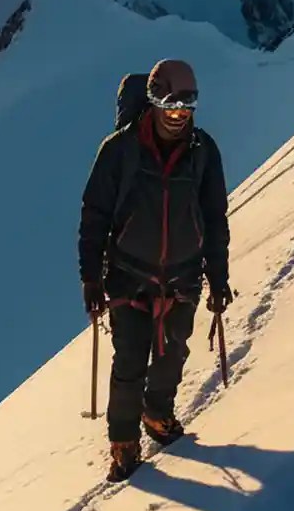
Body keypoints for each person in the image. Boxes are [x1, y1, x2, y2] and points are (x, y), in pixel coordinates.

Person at [78, 59, 233, 482]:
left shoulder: (203, 154)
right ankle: (123, 444)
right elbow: (95, 215)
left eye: (186, 106)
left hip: (182, 278)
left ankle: (156, 413)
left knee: (171, 355)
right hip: (129, 275)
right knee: (129, 361)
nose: (179, 114)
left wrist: (219, 278)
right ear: (153, 101)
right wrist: (91, 277)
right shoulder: (120, 151)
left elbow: (214, 218)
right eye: (170, 105)